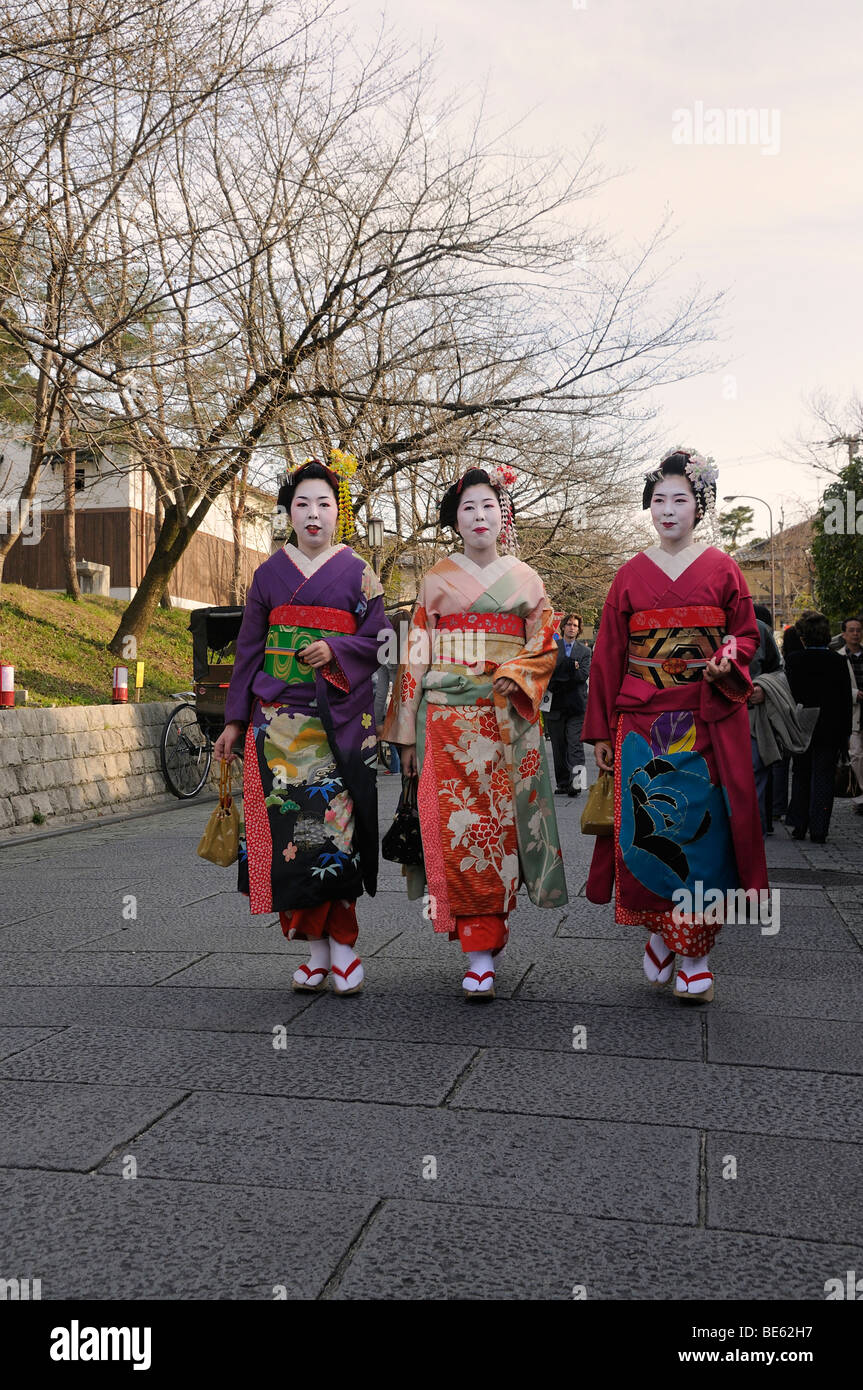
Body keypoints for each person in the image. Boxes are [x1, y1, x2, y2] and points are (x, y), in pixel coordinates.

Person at [583, 447, 768, 1003]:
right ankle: (663, 932)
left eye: (680, 499)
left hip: (704, 720)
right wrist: (598, 732)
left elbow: (747, 635)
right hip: (641, 721)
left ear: (700, 506)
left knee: (703, 839)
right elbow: (608, 656)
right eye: (659, 499)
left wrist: (726, 659)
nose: (668, 510)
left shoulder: (723, 568)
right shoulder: (630, 575)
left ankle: (696, 954)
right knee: (646, 838)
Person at [383, 465, 567, 1000]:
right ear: (454, 521)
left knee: (502, 830)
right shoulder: (436, 579)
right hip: (445, 719)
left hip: (506, 716)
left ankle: (489, 931)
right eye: (467, 508)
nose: (478, 516)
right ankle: (477, 950)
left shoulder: (527, 579)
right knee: (460, 832)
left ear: (502, 515)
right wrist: (406, 730)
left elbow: (546, 642)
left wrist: (516, 673)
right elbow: (416, 653)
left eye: (488, 506)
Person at [212, 455, 389, 995]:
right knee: (292, 837)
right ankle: (314, 951)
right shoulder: (268, 574)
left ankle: (344, 946)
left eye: (325, 504)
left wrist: (335, 647)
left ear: (341, 513)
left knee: (336, 830)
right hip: (277, 723)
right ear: (288, 512)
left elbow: (381, 640)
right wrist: (235, 721)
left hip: (335, 721)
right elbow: (248, 652)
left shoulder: (360, 572)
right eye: (303, 504)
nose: (314, 514)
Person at [784, 611, 853, 842]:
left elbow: (789, 696)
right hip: (831, 726)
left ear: (803, 637)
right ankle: (820, 828)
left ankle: (799, 823)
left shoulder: (794, 661)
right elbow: (844, 699)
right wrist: (846, 733)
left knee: (801, 773)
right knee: (823, 776)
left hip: (802, 723)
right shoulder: (838, 661)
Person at [546, 612, 592, 796]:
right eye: (569, 624)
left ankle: (578, 783)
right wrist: (571, 669)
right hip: (555, 704)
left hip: (576, 705)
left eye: (575, 625)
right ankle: (563, 783)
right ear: (563, 626)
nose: (572, 627)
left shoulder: (585, 651)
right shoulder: (551, 648)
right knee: (558, 746)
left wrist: (563, 673)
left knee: (575, 746)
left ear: (579, 630)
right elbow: (546, 674)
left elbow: (582, 676)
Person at [748, 603, 782, 833]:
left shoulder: (759, 630)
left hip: (753, 718)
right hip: (711, 718)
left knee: (755, 777)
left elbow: (778, 670)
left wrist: (764, 687)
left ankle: (754, 837)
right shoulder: (706, 628)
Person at [838, 615, 863, 813]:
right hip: (852, 713)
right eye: (852, 630)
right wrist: (855, 694)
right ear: (844, 634)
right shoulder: (838, 658)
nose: (856, 634)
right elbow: (836, 687)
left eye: (858, 630)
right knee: (856, 755)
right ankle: (859, 797)